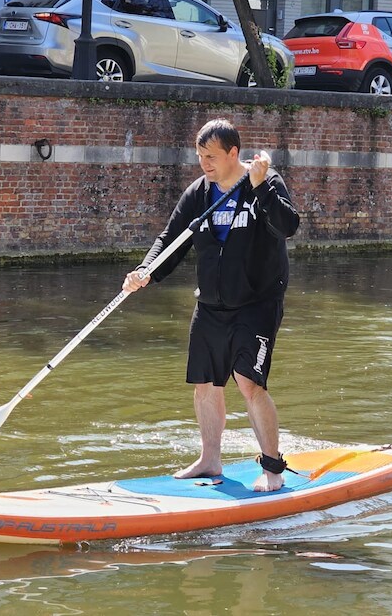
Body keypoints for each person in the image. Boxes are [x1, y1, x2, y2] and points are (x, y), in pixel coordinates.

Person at [122, 119, 300, 492]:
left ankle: (272, 469)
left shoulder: (265, 182)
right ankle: (210, 459)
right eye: (201, 156)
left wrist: (260, 188)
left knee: (249, 383)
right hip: (211, 304)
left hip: (257, 303)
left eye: (212, 156)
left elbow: (288, 226)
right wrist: (145, 271)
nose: (204, 164)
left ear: (234, 153)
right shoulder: (199, 194)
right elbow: (170, 239)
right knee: (205, 383)